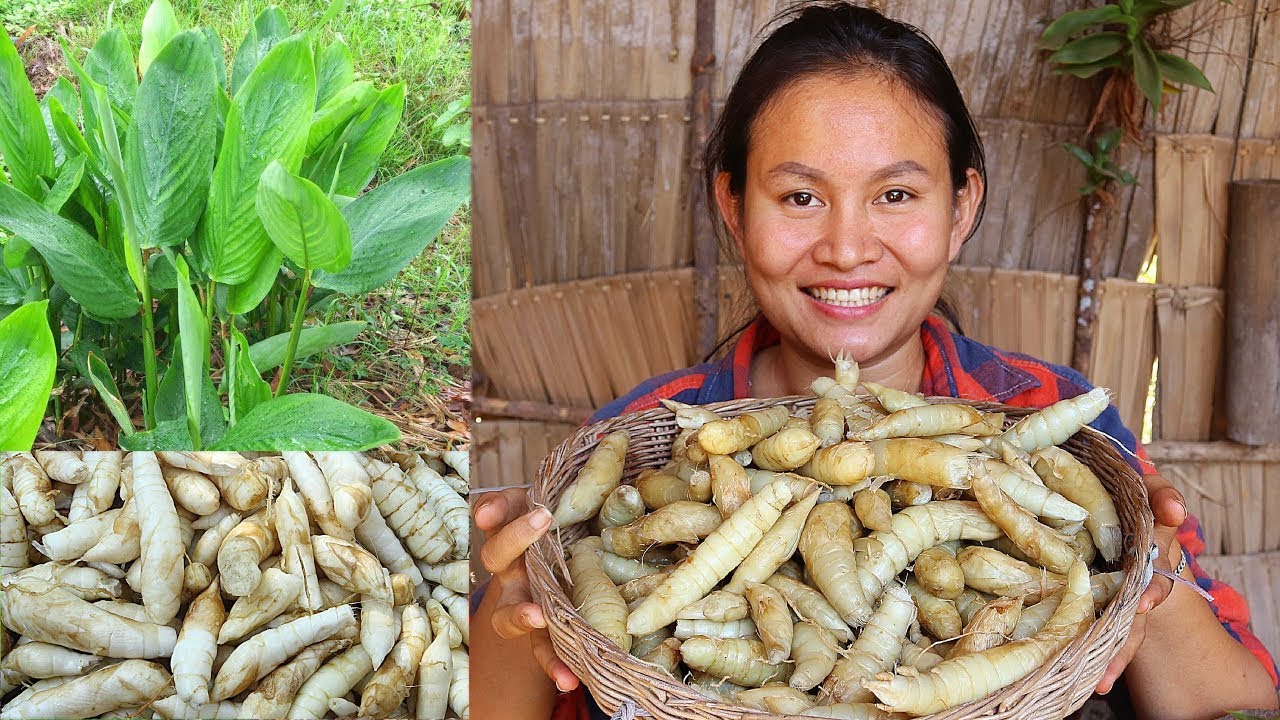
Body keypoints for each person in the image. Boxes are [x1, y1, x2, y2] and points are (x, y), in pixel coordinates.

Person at [472, 4, 1280, 718]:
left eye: (895, 195)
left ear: (960, 207)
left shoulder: (1067, 423)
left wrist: (1152, 579)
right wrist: (523, 610)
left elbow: (1240, 705)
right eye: (799, 197)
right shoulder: (632, 435)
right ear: (732, 206)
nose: (848, 248)